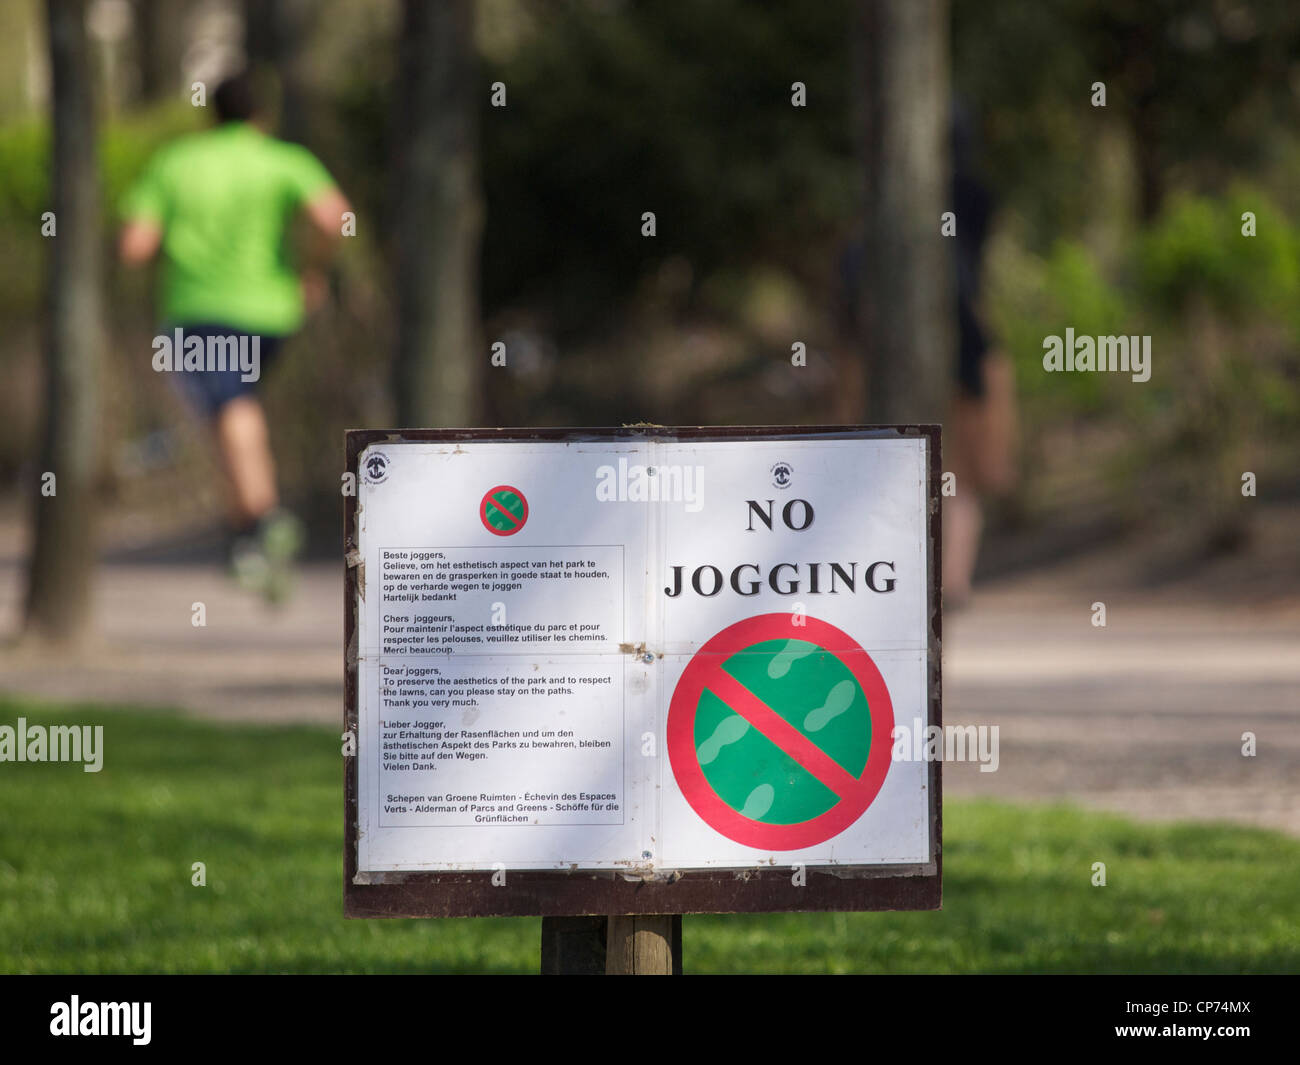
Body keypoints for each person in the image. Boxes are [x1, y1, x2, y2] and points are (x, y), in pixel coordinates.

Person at [119, 70, 351, 601]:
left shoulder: (177, 163)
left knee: (232, 408)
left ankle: (261, 521)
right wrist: (309, 271)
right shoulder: (283, 159)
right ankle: (245, 536)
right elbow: (336, 218)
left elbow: (135, 245)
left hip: (201, 310)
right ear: (259, 114)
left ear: (211, 113)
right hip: (272, 311)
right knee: (237, 410)